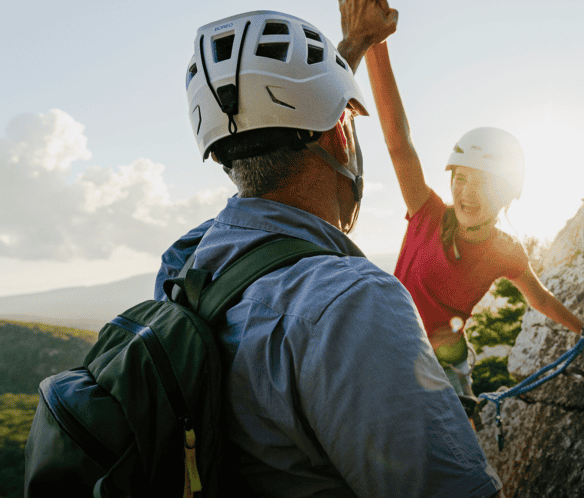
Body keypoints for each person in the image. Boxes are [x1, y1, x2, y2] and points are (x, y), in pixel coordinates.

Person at [154, 10, 501, 497]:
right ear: (341, 134)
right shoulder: (353, 305)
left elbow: (272, 118)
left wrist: (356, 44)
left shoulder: (185, 264)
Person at [346, 0, 584, 400]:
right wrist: (374, 44)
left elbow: (540, 299)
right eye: (461, 179)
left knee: (462, 453)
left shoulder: (506, 251)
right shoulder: (427, 214)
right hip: (390, 348)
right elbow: (398, 142)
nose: (467, 193)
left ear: (506, 194)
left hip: (448, 364)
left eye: (484, 185)